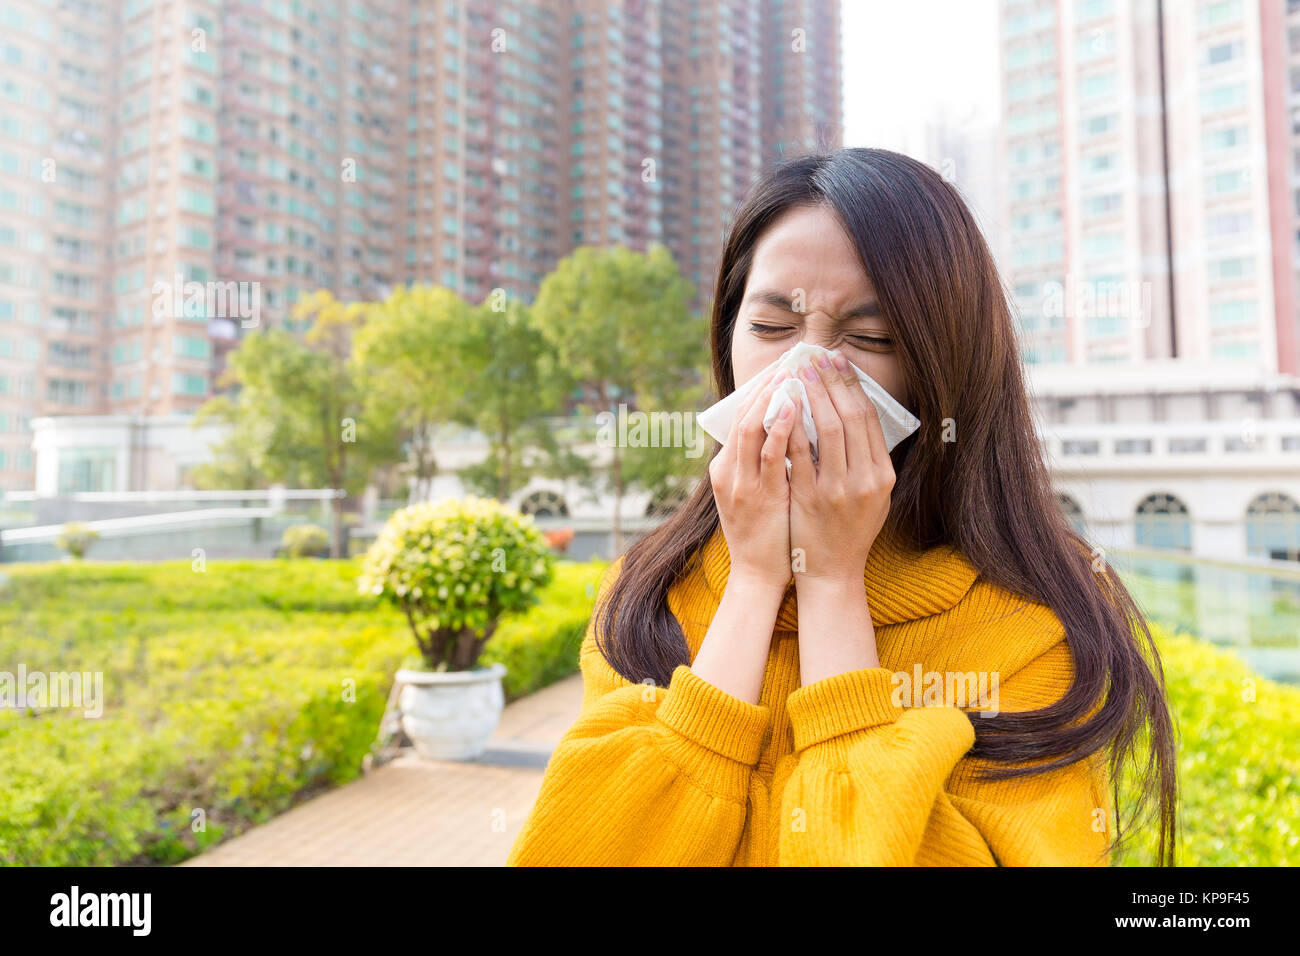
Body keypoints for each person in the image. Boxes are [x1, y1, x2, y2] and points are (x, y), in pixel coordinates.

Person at [507, 147, 1177, 867]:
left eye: (870, 338)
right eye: (770, 329)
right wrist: (757, 581)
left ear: (943, 363)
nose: (807, 371)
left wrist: (830, 584)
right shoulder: (645, 595)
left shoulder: (1032, 627)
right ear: (728, 337)